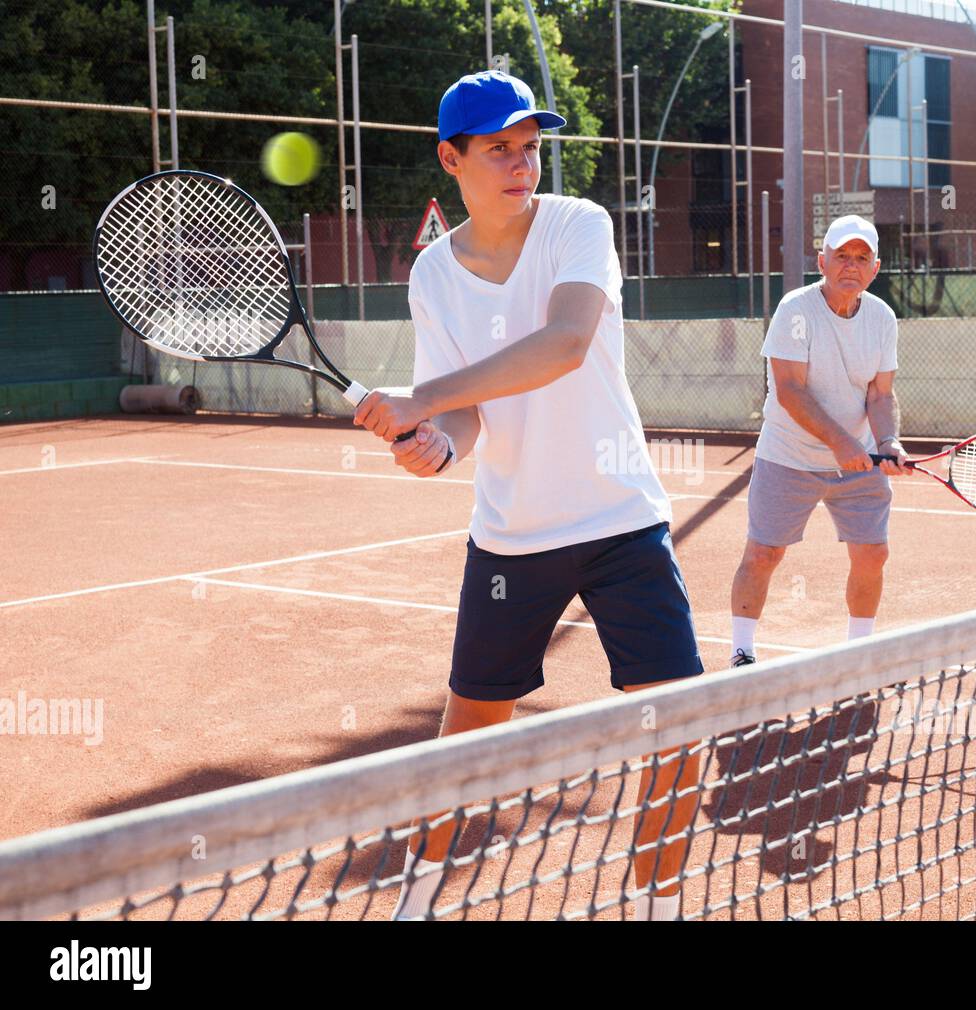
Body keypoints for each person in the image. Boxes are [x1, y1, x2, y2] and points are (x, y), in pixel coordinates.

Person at [353, 69, 703, 921]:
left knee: (682, 732)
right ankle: (417, 903)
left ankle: (654, 906)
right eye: (499, 148)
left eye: (530, 147)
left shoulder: (579, 226)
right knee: (469, 734)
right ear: (452, 158)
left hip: (623, 522)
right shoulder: (433, 276)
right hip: (511, 541)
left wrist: (422, 403)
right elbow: (466, 415)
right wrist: (436, 445)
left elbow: (566, 343)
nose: (521, 163)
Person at [729, 215, 910, 667]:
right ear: (822, 261)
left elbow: (881, 393)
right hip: (789, 456)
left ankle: (858, 651)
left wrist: (886, 440)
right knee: (764, 553)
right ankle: (741, 652)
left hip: (859, 460)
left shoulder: (883, 318)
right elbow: (789, 390)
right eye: (842, 255)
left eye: (861, 258)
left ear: (875, 268)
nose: (851, 265)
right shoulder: (796, 310)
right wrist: (842, 443)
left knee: (873, 552)